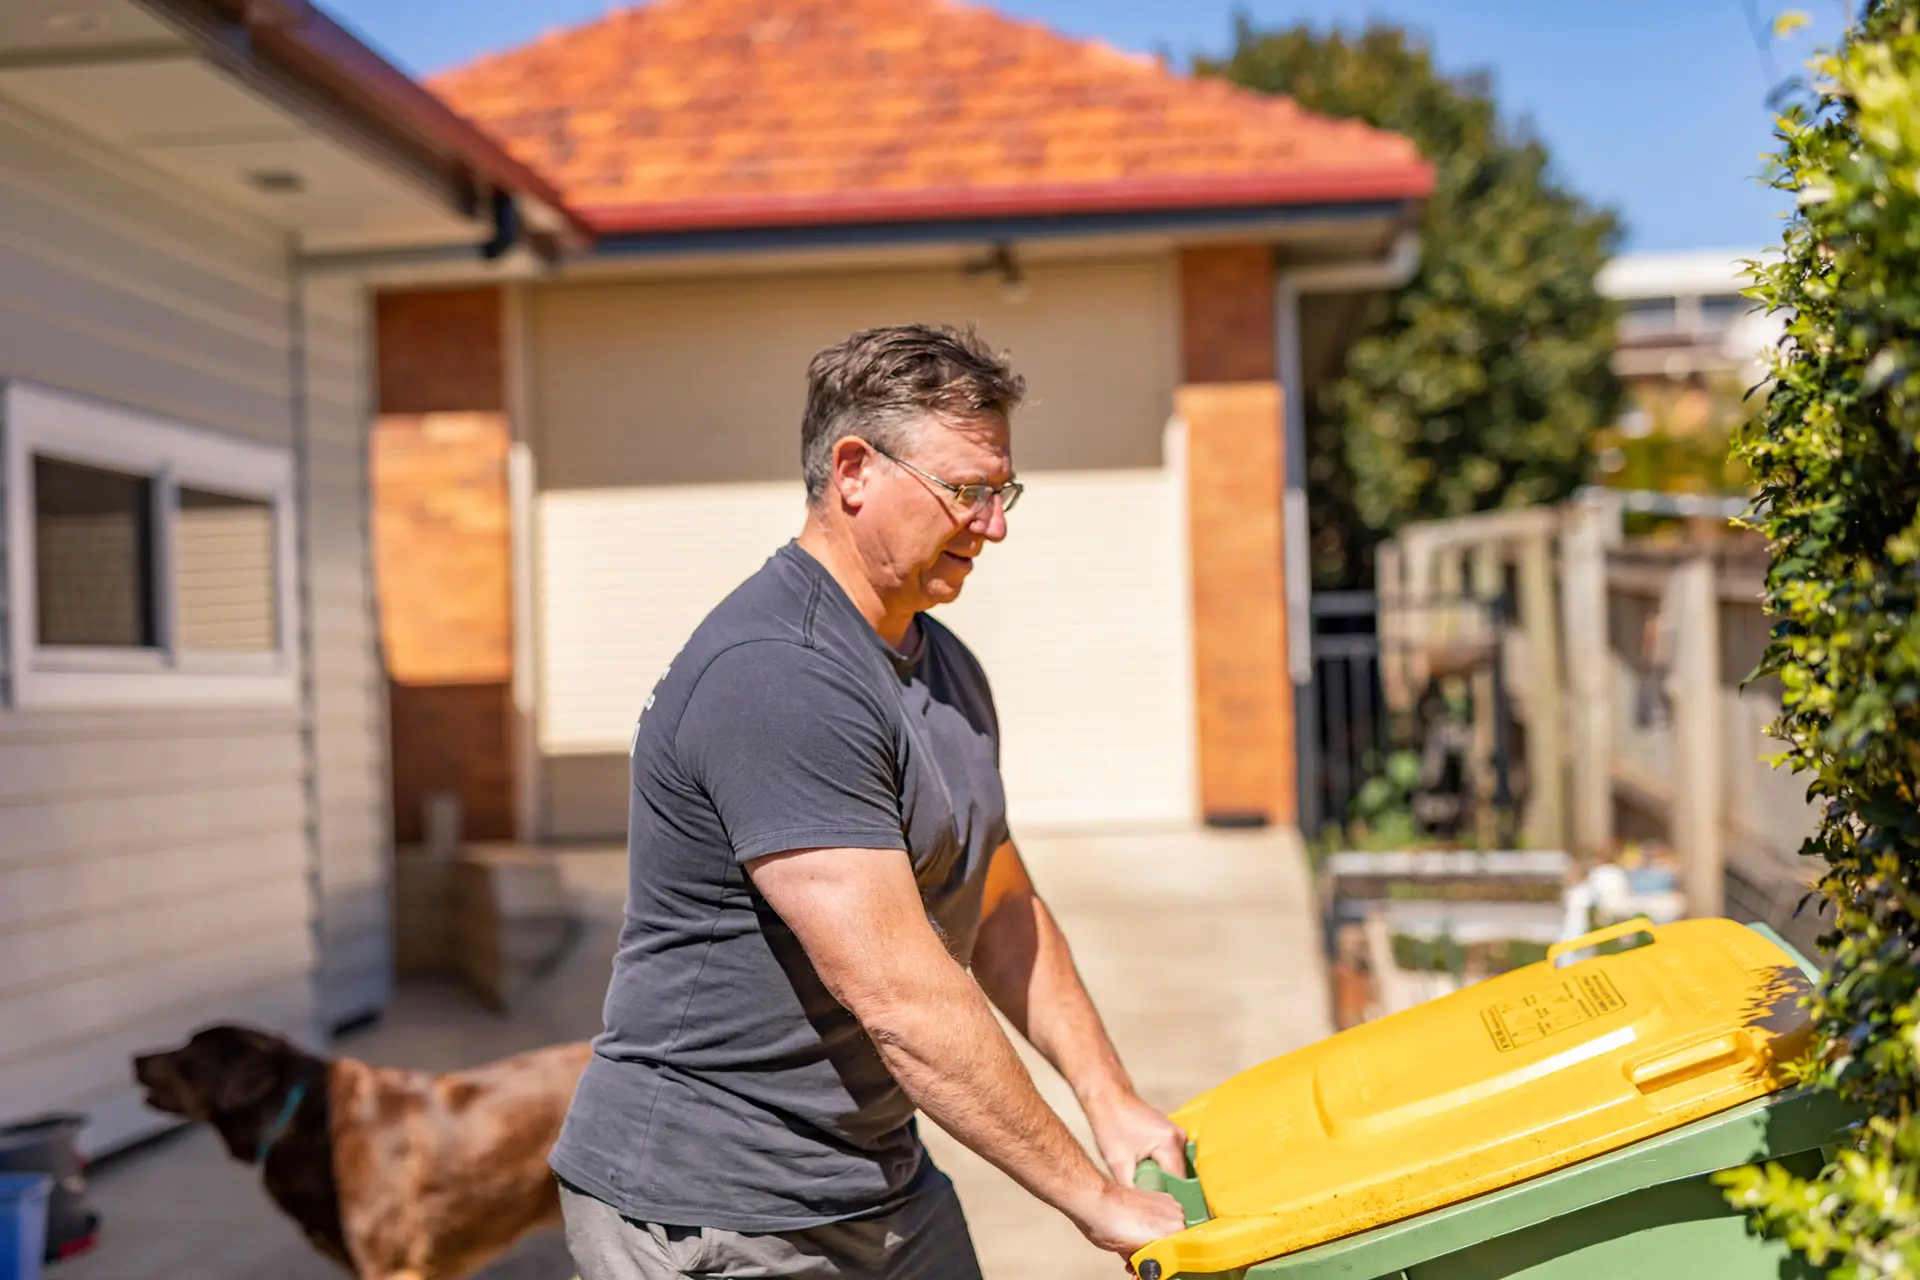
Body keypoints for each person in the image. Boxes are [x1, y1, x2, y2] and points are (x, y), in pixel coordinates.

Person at [550, 323, 1189, 1278]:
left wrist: (1107, 1095)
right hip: (715, 1211)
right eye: (967, 491)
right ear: (853, 470)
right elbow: (901, 999)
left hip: (876, 1182)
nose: (995, 523)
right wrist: (1093, 1200)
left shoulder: (943, 666)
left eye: (1001, 491)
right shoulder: (778, 676)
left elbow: (1001, 903)